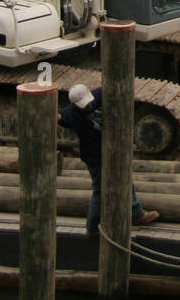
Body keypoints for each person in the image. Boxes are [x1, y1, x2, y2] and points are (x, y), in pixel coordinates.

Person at [58, 83, 159, 236]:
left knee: (125, 178)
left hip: (113, 150)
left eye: (89, 102)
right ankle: (92, 227)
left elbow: (113, 86)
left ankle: (136, 214)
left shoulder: (99, 95)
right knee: (100, 190)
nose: (89, 106)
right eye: (84, 105)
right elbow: (59, 115)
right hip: (94, 157)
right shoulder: (72, 114)